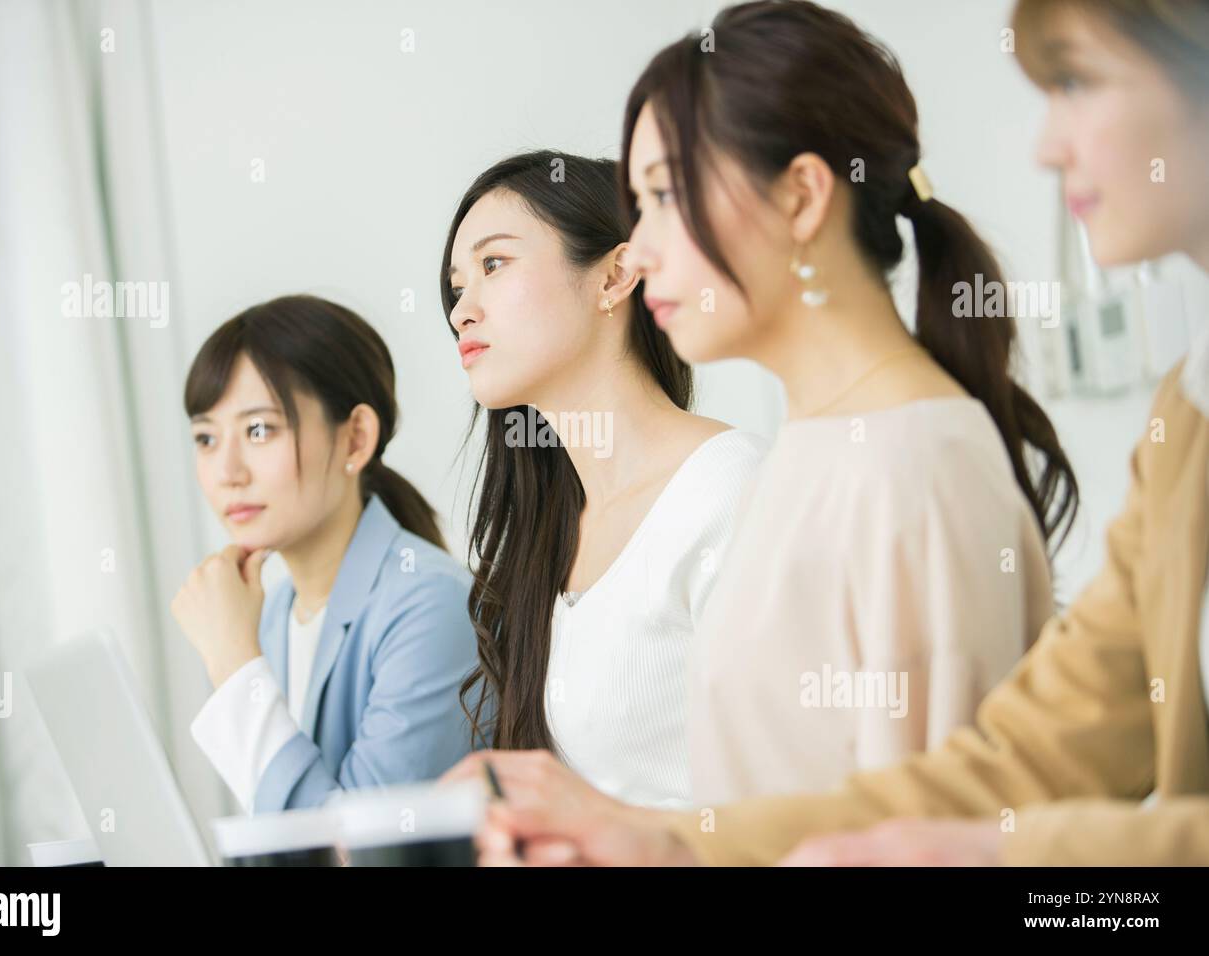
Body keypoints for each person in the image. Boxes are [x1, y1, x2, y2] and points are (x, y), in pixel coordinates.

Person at [455, 0, 1209, 866]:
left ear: (804, 194)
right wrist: (657, 840)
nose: (644, 248)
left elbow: (946, 823)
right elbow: (982, 779)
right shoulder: (818, 456)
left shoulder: (910, 466)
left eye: (664, 196)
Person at [441, 151, 767, 808]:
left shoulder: (730, 494)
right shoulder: (553, 534)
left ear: (616, 275)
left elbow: (800, 808)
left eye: (493, 265)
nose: (461, 311)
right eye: (456, 287)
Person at [172, 295, 478, 812]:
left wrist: (232, 664)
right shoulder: (270, 614)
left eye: (259, 429)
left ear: (355, 439)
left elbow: (355, 853)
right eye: (205, 437)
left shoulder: (431, 605)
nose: (227, 472)